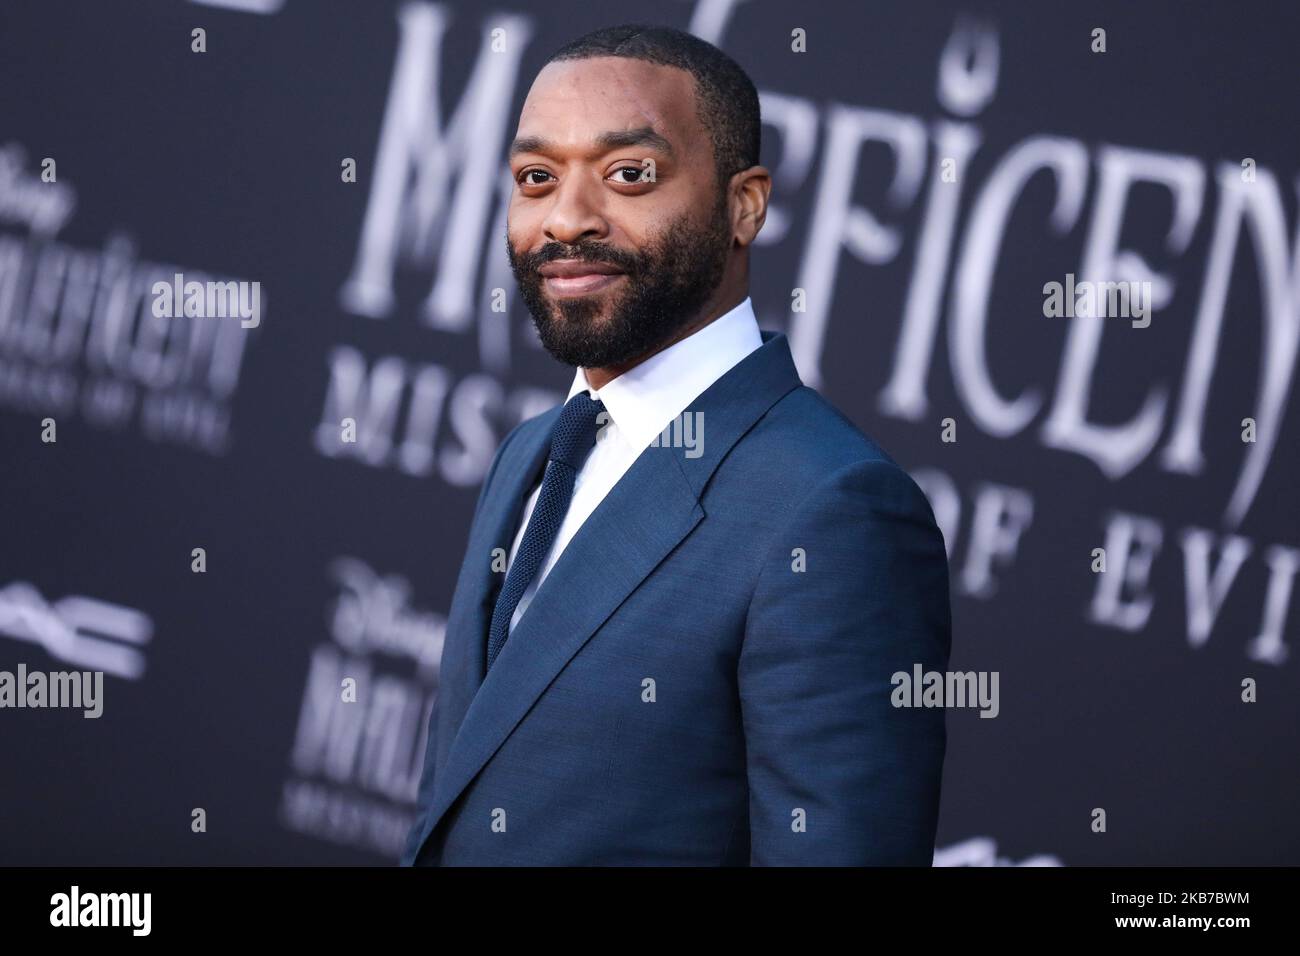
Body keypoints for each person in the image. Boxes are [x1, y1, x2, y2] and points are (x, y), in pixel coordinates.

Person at [402, 22, 951, 866]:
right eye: (536, 178)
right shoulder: (531, 453)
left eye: (629, 174)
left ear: (745, 205)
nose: (568, 220)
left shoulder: (833, 510)